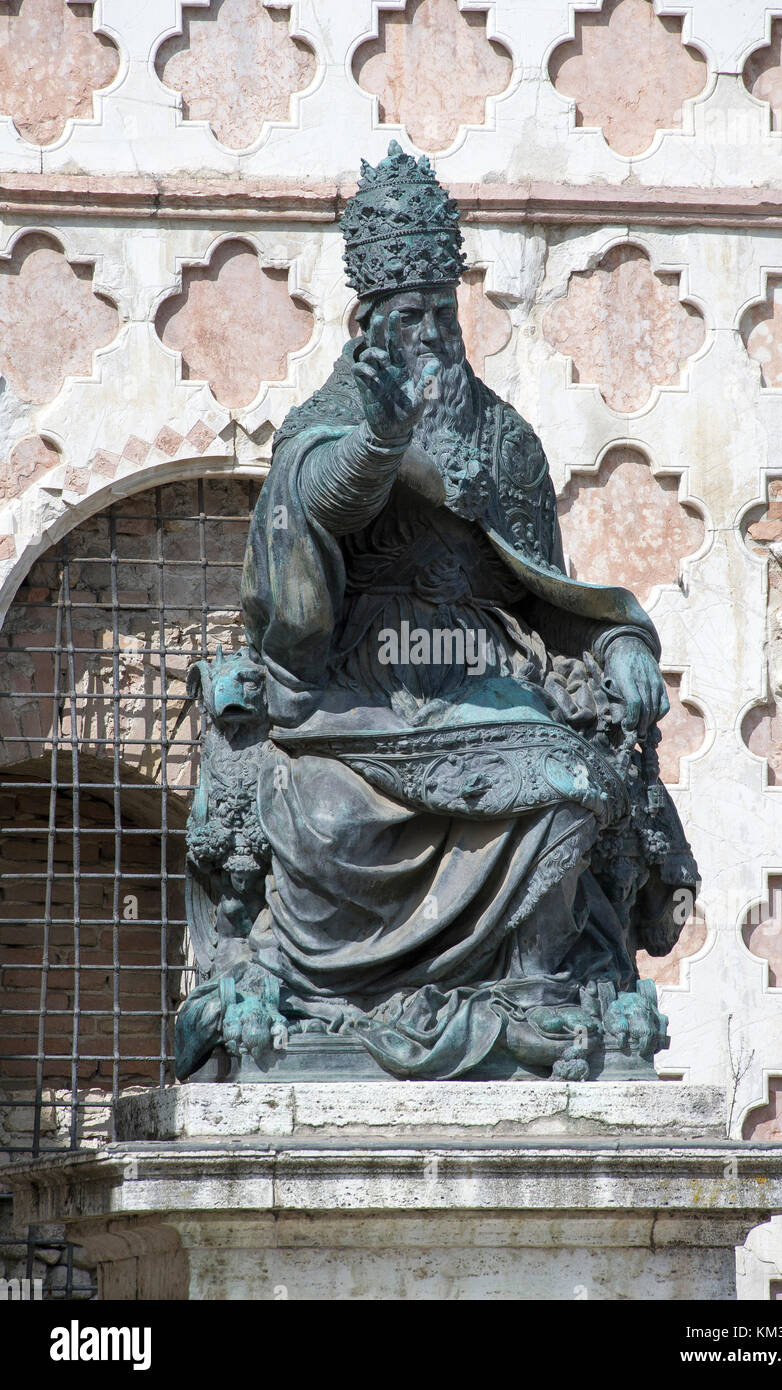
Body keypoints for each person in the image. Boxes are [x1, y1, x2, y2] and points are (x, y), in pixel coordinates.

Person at [176, 143, 698, 1082]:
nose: (425, 333)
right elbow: (315, 505)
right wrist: (382, 441)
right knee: (325, 817)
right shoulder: (328, 425)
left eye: (437, 313)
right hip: (353, 694)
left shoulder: (506, 442)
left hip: (478, 685)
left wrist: (620, 642)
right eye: (404, 315)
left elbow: (552, 593)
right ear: (368, 320)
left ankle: (535, 992)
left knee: (567, 784)